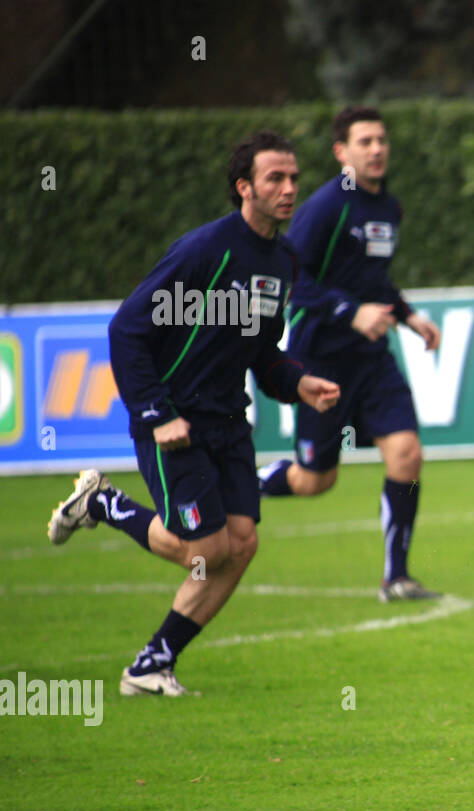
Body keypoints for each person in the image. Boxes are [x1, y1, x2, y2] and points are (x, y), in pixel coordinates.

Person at [46, 130, 347, 697]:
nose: (288, 189)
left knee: (242, 544)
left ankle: (151, 665)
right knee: (206, 552)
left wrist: (299, 382)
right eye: (274, 179)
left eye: (293, 179)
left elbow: (262, 352)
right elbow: (127, 331)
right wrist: (158, 412)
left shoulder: (283, 260)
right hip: (174, 421)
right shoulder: (204, 250)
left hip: (228, 420)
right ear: (244, 188)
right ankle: (103, 502)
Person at [256, 106, 442, 603]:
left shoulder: (390, 208)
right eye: (365, 142)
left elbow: (372, 282)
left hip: (373, 359)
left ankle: (396, 577)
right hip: (321, 360)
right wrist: (350, 312)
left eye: (381, 139)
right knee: (316, 481)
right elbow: (290, 276)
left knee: (406, 454)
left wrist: (407, 316)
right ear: (342, 152)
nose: (377, 149)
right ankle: (243, 482)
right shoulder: (325, 206)